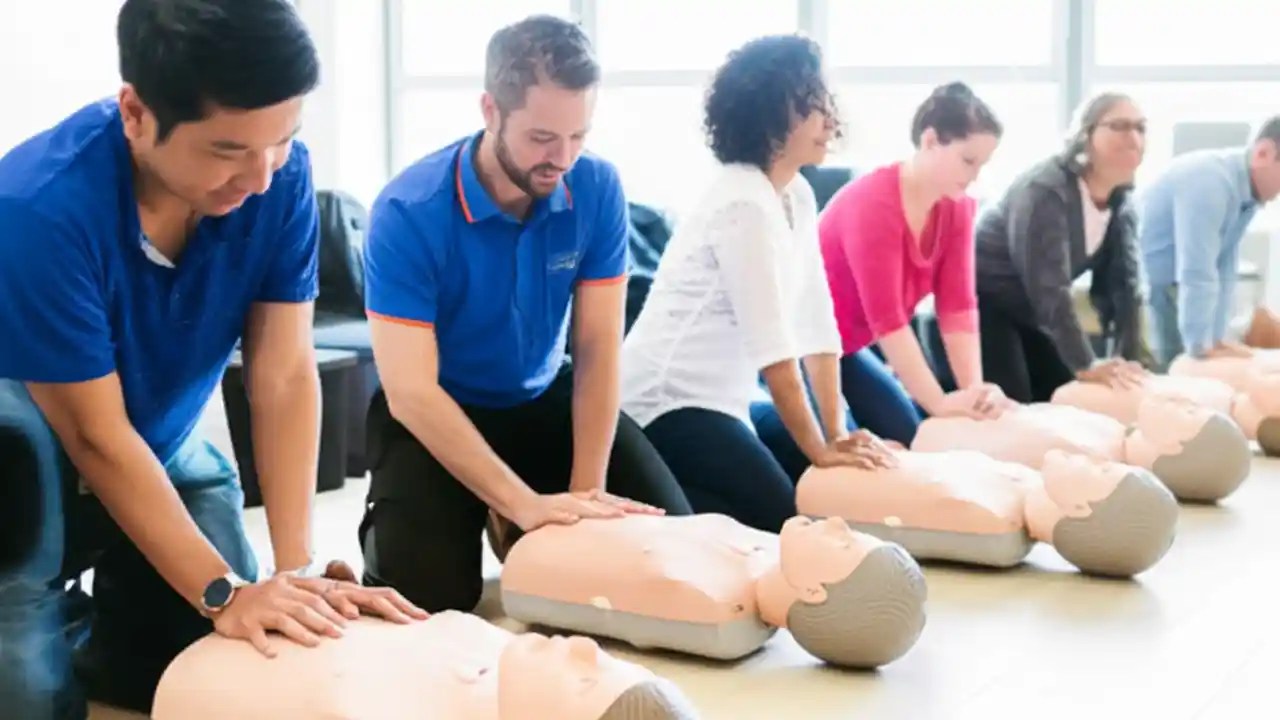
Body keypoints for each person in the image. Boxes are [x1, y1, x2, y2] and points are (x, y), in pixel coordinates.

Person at [0, 2, 424, 718]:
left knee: (217, 660)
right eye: (227, 151)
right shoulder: (36, 206)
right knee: (31, 694)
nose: (260, 177)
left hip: (157, 438)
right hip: (32, 446)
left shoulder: (278, 176)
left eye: (282, 140)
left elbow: (283, 375)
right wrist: (223, 592)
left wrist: (296, 568)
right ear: (135, 114)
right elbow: (93, 436)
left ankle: (100, 637)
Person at [358, 14, 694, 614]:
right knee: (428, 601)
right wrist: (523, 505)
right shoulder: (408, 210)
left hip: (542, 396)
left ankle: (512, 509)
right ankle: (458, 516)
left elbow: (596, 349)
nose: (561, 158)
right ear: (491, 110)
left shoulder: (596, 186)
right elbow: (412, 393)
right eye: (541, 137)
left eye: (578, 135)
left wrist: (586, 499)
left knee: (665, 545)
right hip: (439, 410)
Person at [618, 36, 894, 533]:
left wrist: (836, 432)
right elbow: (775, 351)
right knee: (780, 516)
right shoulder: (741, 201)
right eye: (814, 105)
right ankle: (633, 495)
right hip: (665, 401)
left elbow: (816, 322)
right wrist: (819, 448)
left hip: (730, 401)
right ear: (771, 115)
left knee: (818, 484)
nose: (830, 120)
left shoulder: (797, 194)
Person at [816, 82, 1009, 446]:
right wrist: (939, 403)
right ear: (930, 140)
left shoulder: (957, 205)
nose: (974, 176)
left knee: (912, 432)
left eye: (982, 165)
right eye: (968, 161)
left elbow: (957, 307)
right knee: (869, 448)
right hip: (805, 349)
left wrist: (974, 395)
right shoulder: (873, 204)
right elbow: (888, 321)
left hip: (848, 348)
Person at [970, 92, 1149, 403]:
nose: (1133, 138)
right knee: (1015, 405)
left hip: (1030, 313)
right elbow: (1049, 289)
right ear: (1085, 136)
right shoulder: (1045, 190)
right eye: (1119, 126)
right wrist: (1085, 363)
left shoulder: (1120, 203)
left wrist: (1127, 360)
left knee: (1067, 398)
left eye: (1140, 127)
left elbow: (1125, 289)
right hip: (981, 306)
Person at [1136, 115, 1280, 369]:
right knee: (1179, 372)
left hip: (1174, 285)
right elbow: (1197, 270)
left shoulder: (1246, 193)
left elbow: (1224, 265)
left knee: (1204, 365)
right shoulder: (1210, 183)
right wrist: (1200, 346)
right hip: (1151, 286)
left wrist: (1217, 339)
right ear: (1263, 153)